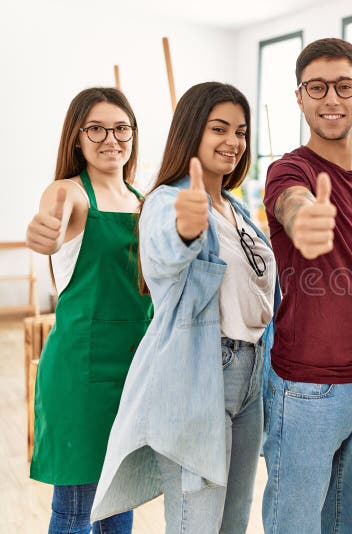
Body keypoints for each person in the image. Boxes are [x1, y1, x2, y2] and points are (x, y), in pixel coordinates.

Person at [90, 82, 280, 533]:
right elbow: (161, 254)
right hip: (201, 376)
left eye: (241, 131)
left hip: (252, 375)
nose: (233, 141)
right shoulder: (166, 202)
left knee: (233, 521)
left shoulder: (236, 209)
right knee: (197, 522)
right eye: (219, 128)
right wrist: (185, 231)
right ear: (192, 131)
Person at [261, 38, 352, 533]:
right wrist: (305, 219)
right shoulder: (290, 170)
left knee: (348, 525)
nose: (331, 99)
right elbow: (292, 203)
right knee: (292, 525)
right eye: (317, 87)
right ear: (300, 97)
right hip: (305, 389)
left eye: (343, 86)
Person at [26, 87, 152, 534]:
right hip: (80, 372)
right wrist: (47, 232)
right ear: (77, 137)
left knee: (121, 497)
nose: (110, 138)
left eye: (121, 128)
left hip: (135, 368)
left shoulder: (145, 200)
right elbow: (53, 224)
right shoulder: (68, 194)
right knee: (77, 507)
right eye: (96, 128)